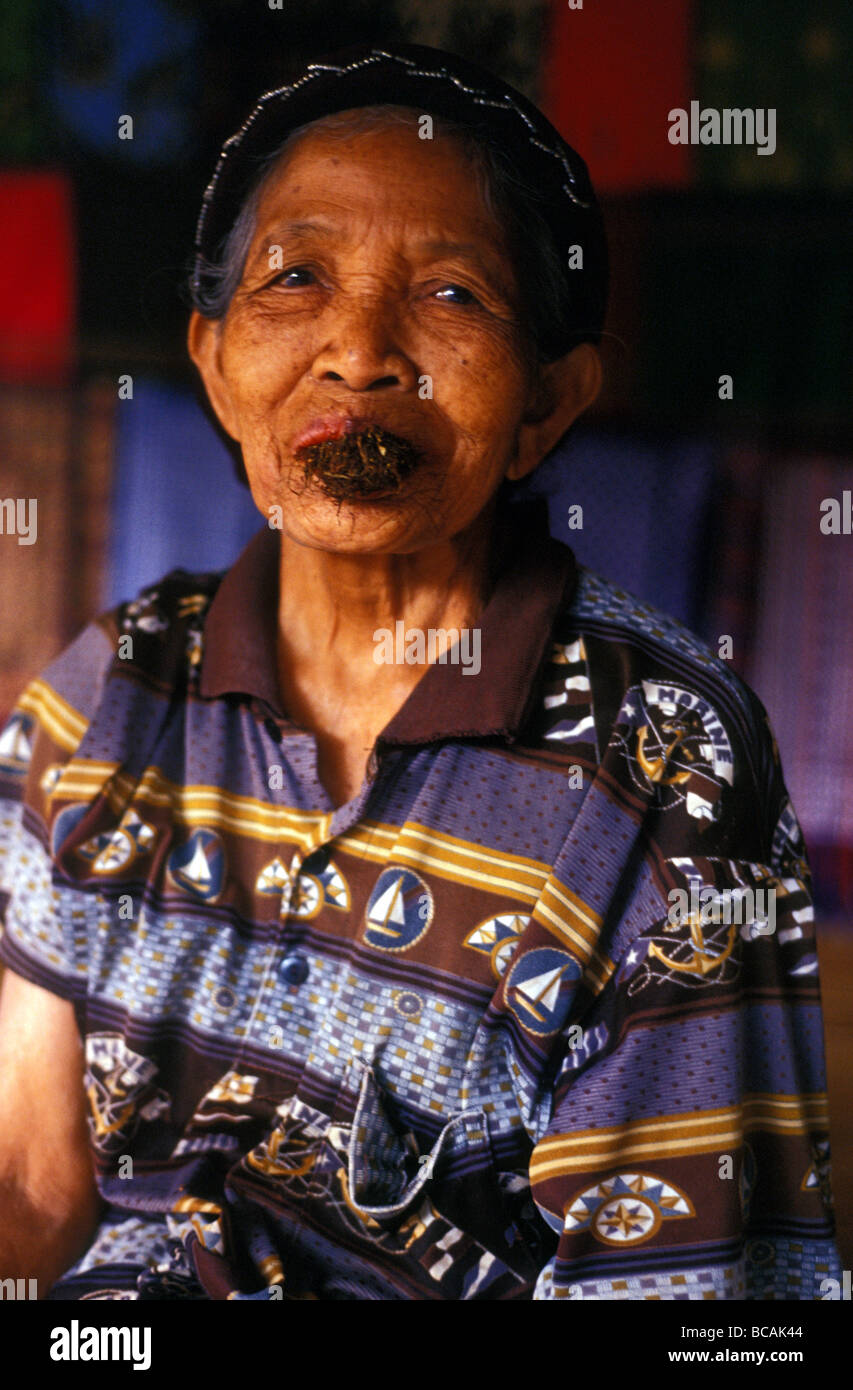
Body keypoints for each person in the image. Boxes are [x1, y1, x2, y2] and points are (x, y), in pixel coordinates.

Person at [0, 43, 841, 1301]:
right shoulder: (109, 691)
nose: (360, 353)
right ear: (218, 363)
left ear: (550, 402)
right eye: (297, 279)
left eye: (449, 295)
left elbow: (673, 1297)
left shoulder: (665, 766)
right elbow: (30, 1178)